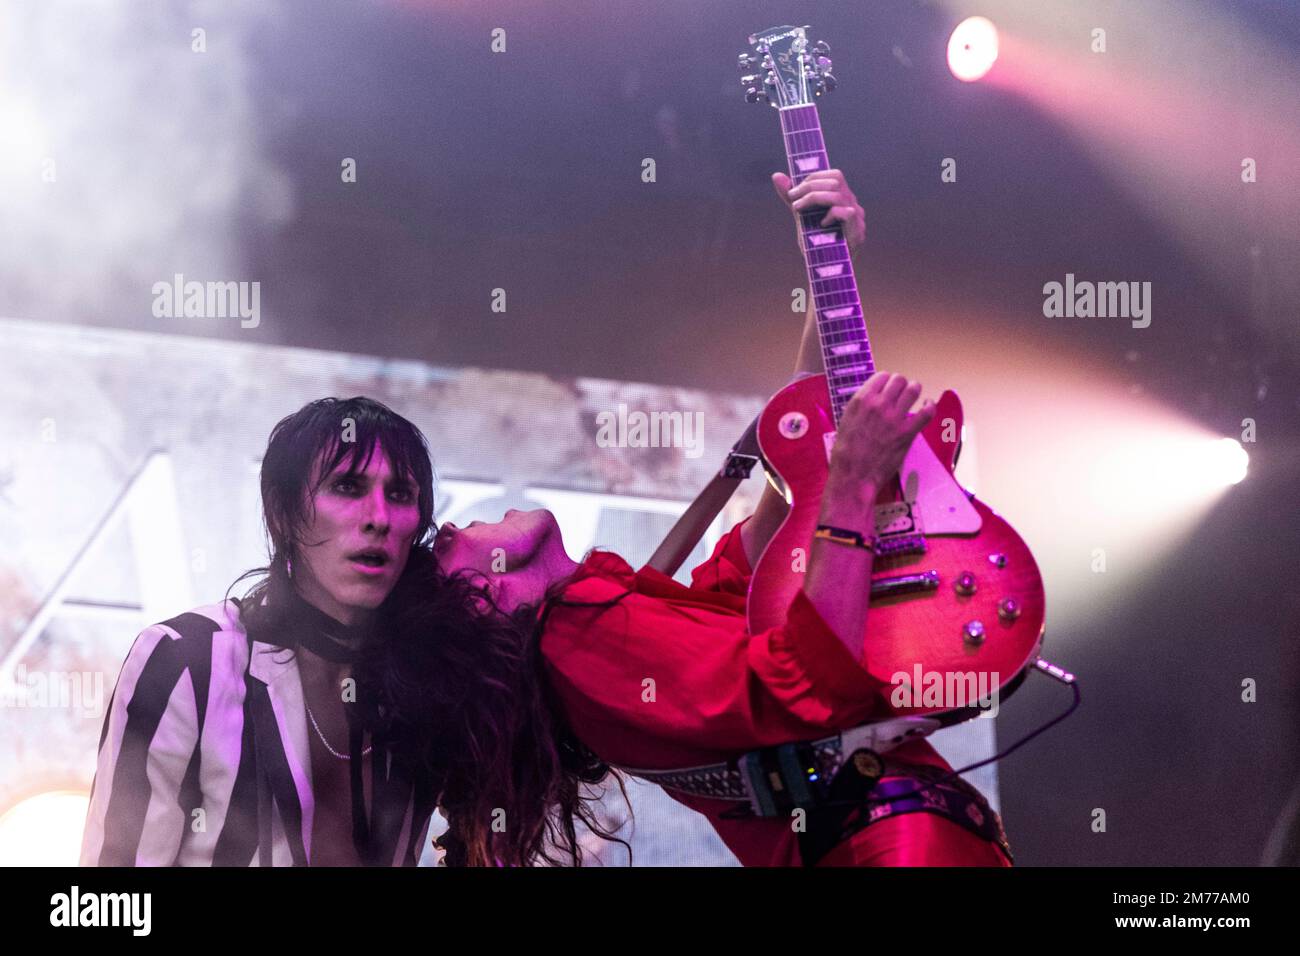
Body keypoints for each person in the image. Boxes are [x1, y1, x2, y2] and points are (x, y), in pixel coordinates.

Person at [389, 169, 1013, 866]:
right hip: (896, 844)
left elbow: (784, 508)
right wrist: (857, 481)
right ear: (481, 600)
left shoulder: (607, 614)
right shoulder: (575, 637)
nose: (453, 527)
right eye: (442, 546)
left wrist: (826, 272)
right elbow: (806, 686)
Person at [81, 396, 614, 866]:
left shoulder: (430, 683)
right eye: (348, 486)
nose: (379, 517)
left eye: (401, 495)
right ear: (285, 514)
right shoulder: (189, 661)